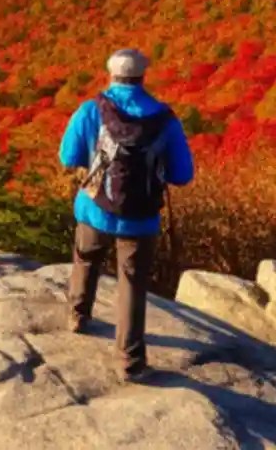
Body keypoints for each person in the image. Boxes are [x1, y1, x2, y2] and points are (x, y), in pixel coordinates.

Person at [58, 48, 194, 381]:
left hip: (94, 209)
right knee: (132, 284)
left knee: (86, 258)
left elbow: (68, 156)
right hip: (142, 217)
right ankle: (130, 361)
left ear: (111, 75)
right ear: (142, 76)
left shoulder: (91, 110)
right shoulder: (164, 119)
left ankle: (78, 316)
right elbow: (182, 174)